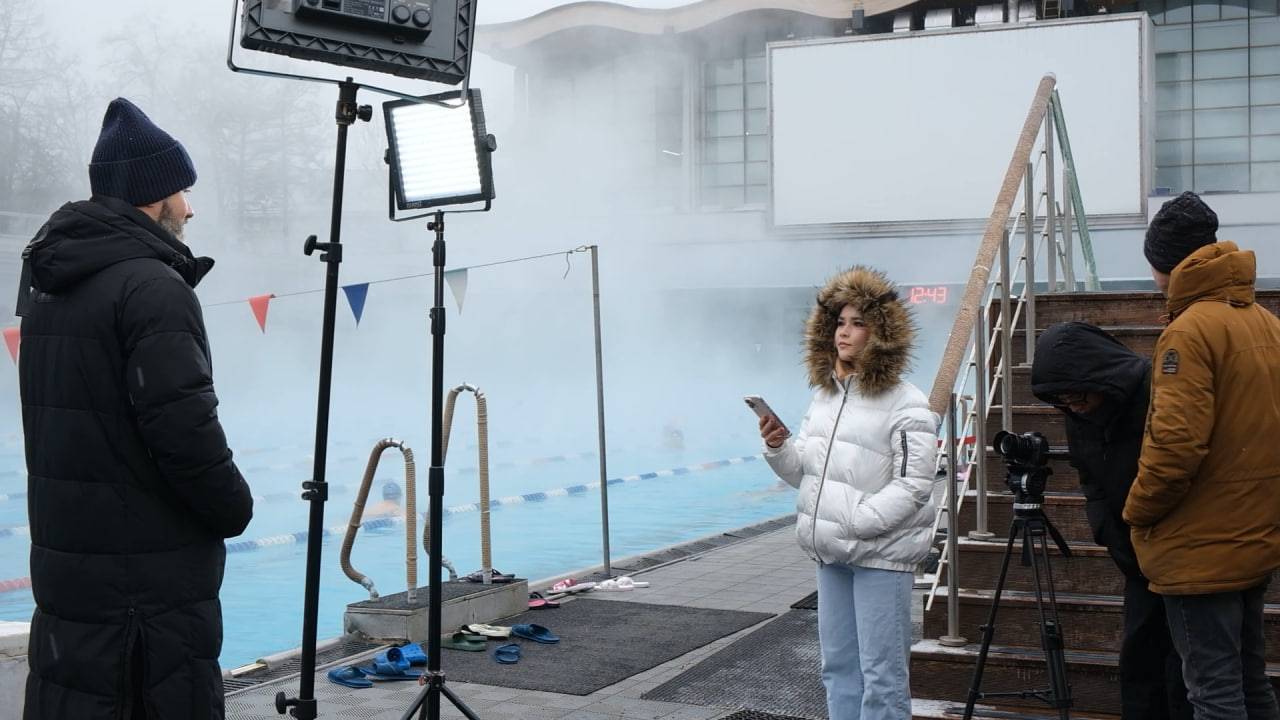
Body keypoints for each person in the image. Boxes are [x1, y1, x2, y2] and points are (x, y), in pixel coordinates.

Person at [16, 98, 254, 720]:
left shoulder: (49, 288)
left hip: (72, 578)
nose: (190, 208)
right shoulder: (152, 287)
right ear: (153, 194)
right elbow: (184, 430)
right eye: (182, 190)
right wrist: (235, 506)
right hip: (145, 596)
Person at [1122, 191, 1280, 720]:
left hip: (1200, 546)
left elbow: (1175, 446)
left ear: (1165, 263)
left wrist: (1137, 511)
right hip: (1253, 535)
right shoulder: (1265, 322)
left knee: (1213, 695)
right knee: (1250, 683)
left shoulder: (1187, 334)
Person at [758, 266, 938, 720]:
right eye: (840, 322)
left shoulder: (907, 401)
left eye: (858, 323)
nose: (845, 332)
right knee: (837, 668)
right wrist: (777, 447)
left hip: (880, 554)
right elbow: (806, 474)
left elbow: (915, 484)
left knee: (882, 675)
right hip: (832, 553)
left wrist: (859, 520)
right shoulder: (826, 397)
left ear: (881, 334)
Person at [1030, 322, 1192, 720]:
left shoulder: (1158, 393)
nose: (1072, 405)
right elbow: (1088, 475)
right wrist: (1105, 525)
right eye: (1062, 399)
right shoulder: (1077, 408)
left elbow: (1179, 464)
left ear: (1099, 378)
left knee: (1185, 662)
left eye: (1077, 395)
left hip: (1183, 547)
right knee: (1139, 656)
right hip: (1132, 551)